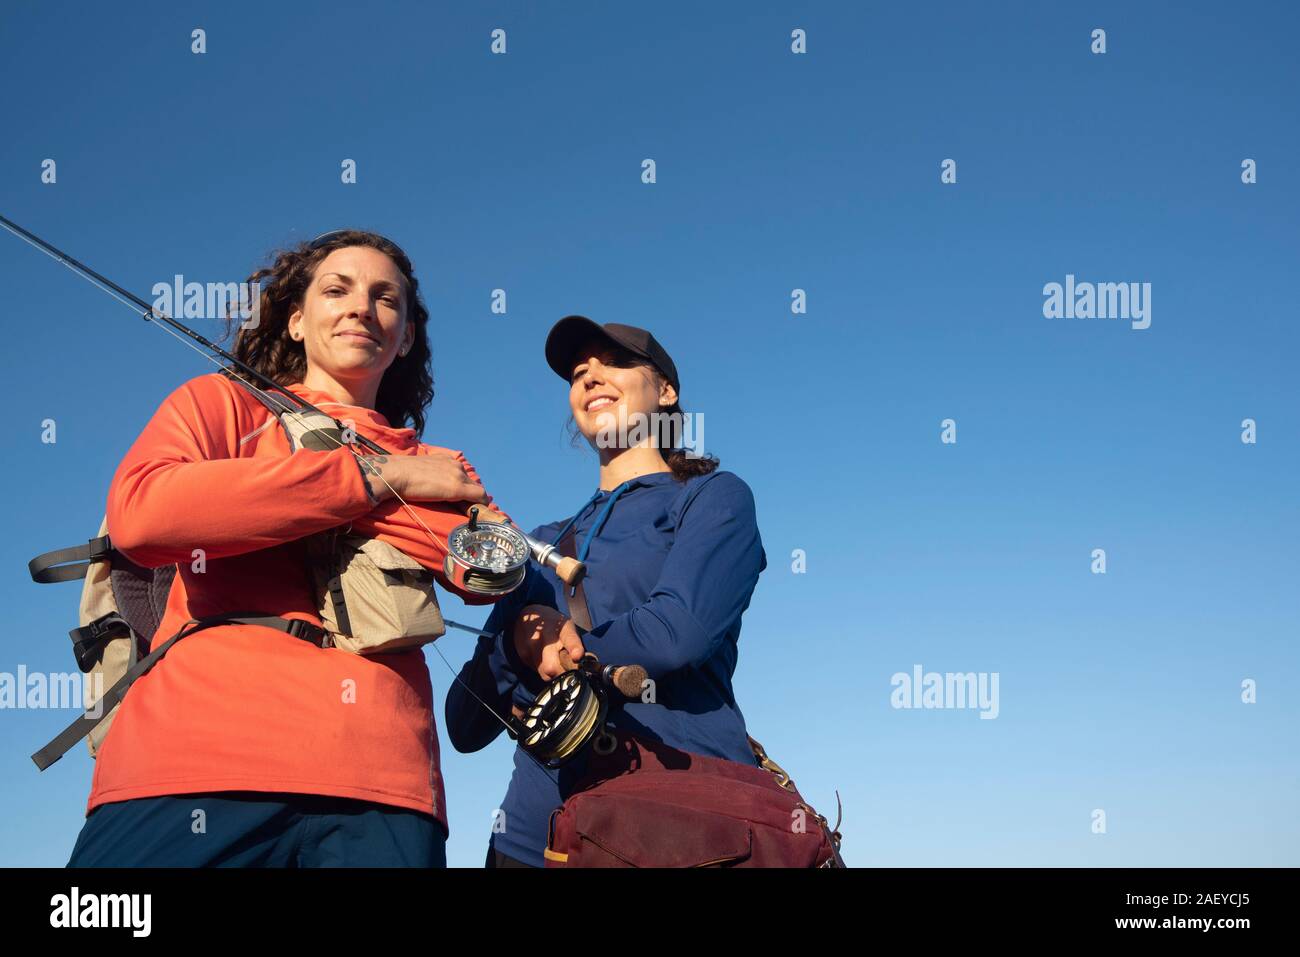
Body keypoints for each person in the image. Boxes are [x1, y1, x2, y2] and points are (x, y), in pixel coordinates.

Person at [67, 229, 501, 867]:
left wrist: (295, 492)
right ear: (296, 321)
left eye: (387, 298)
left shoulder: (435, 461)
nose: (361, 307)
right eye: (337, 289)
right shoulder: (217, 404)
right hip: (188, 765)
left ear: (405, 336)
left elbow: (485, 567)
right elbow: (145, 513)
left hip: (384, 785)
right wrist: (379, 481)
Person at [446, 315, 767, 868]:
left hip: (677, 827)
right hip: (529, 843)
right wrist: (514, 645)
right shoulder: (538, 543)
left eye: (614, 362)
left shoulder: (713, 498)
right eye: (578, 372)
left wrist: (567, 638)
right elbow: (465, 723)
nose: (591, 376)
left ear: (665, 391)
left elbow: (675, 636)